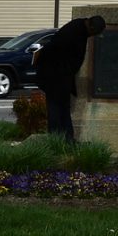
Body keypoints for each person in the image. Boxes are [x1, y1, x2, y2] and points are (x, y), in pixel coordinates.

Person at [33, 13, 106, 142]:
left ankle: (67, 138)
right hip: (55, 75)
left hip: (60, 75)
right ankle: (58, 138)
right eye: (93, 33)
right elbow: (56, 52)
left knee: (62, 107)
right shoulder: (73, 32)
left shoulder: (78, 29)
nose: (92, 36)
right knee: (56, 107)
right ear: (90, 26)